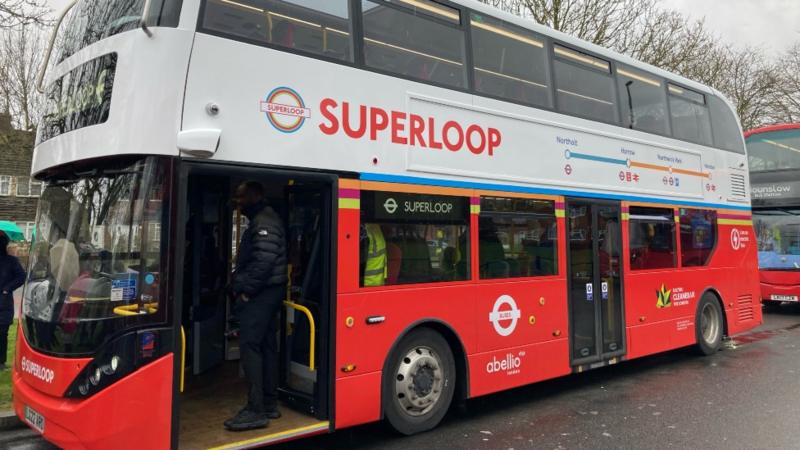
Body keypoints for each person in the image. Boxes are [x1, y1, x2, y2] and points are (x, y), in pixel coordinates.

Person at [224, 182, 288, 432]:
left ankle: (255, 409)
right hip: (269, 293)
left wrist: (245, 291)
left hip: (262, 294)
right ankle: (269, 403)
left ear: (255, 196)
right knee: (266, 346)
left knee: (250, 347)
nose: (238, 202)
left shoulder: (264, 221)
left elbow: (264, 260)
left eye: (241, 197)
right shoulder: (263, 219)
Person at [0, 232, 26, 371]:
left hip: (3, 302)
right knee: (2, 333)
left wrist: (7, 289)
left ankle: (1, 362)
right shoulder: (11, 261)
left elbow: (21, 276)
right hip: (4, 301)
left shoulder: (11, 261)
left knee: (2, 332)